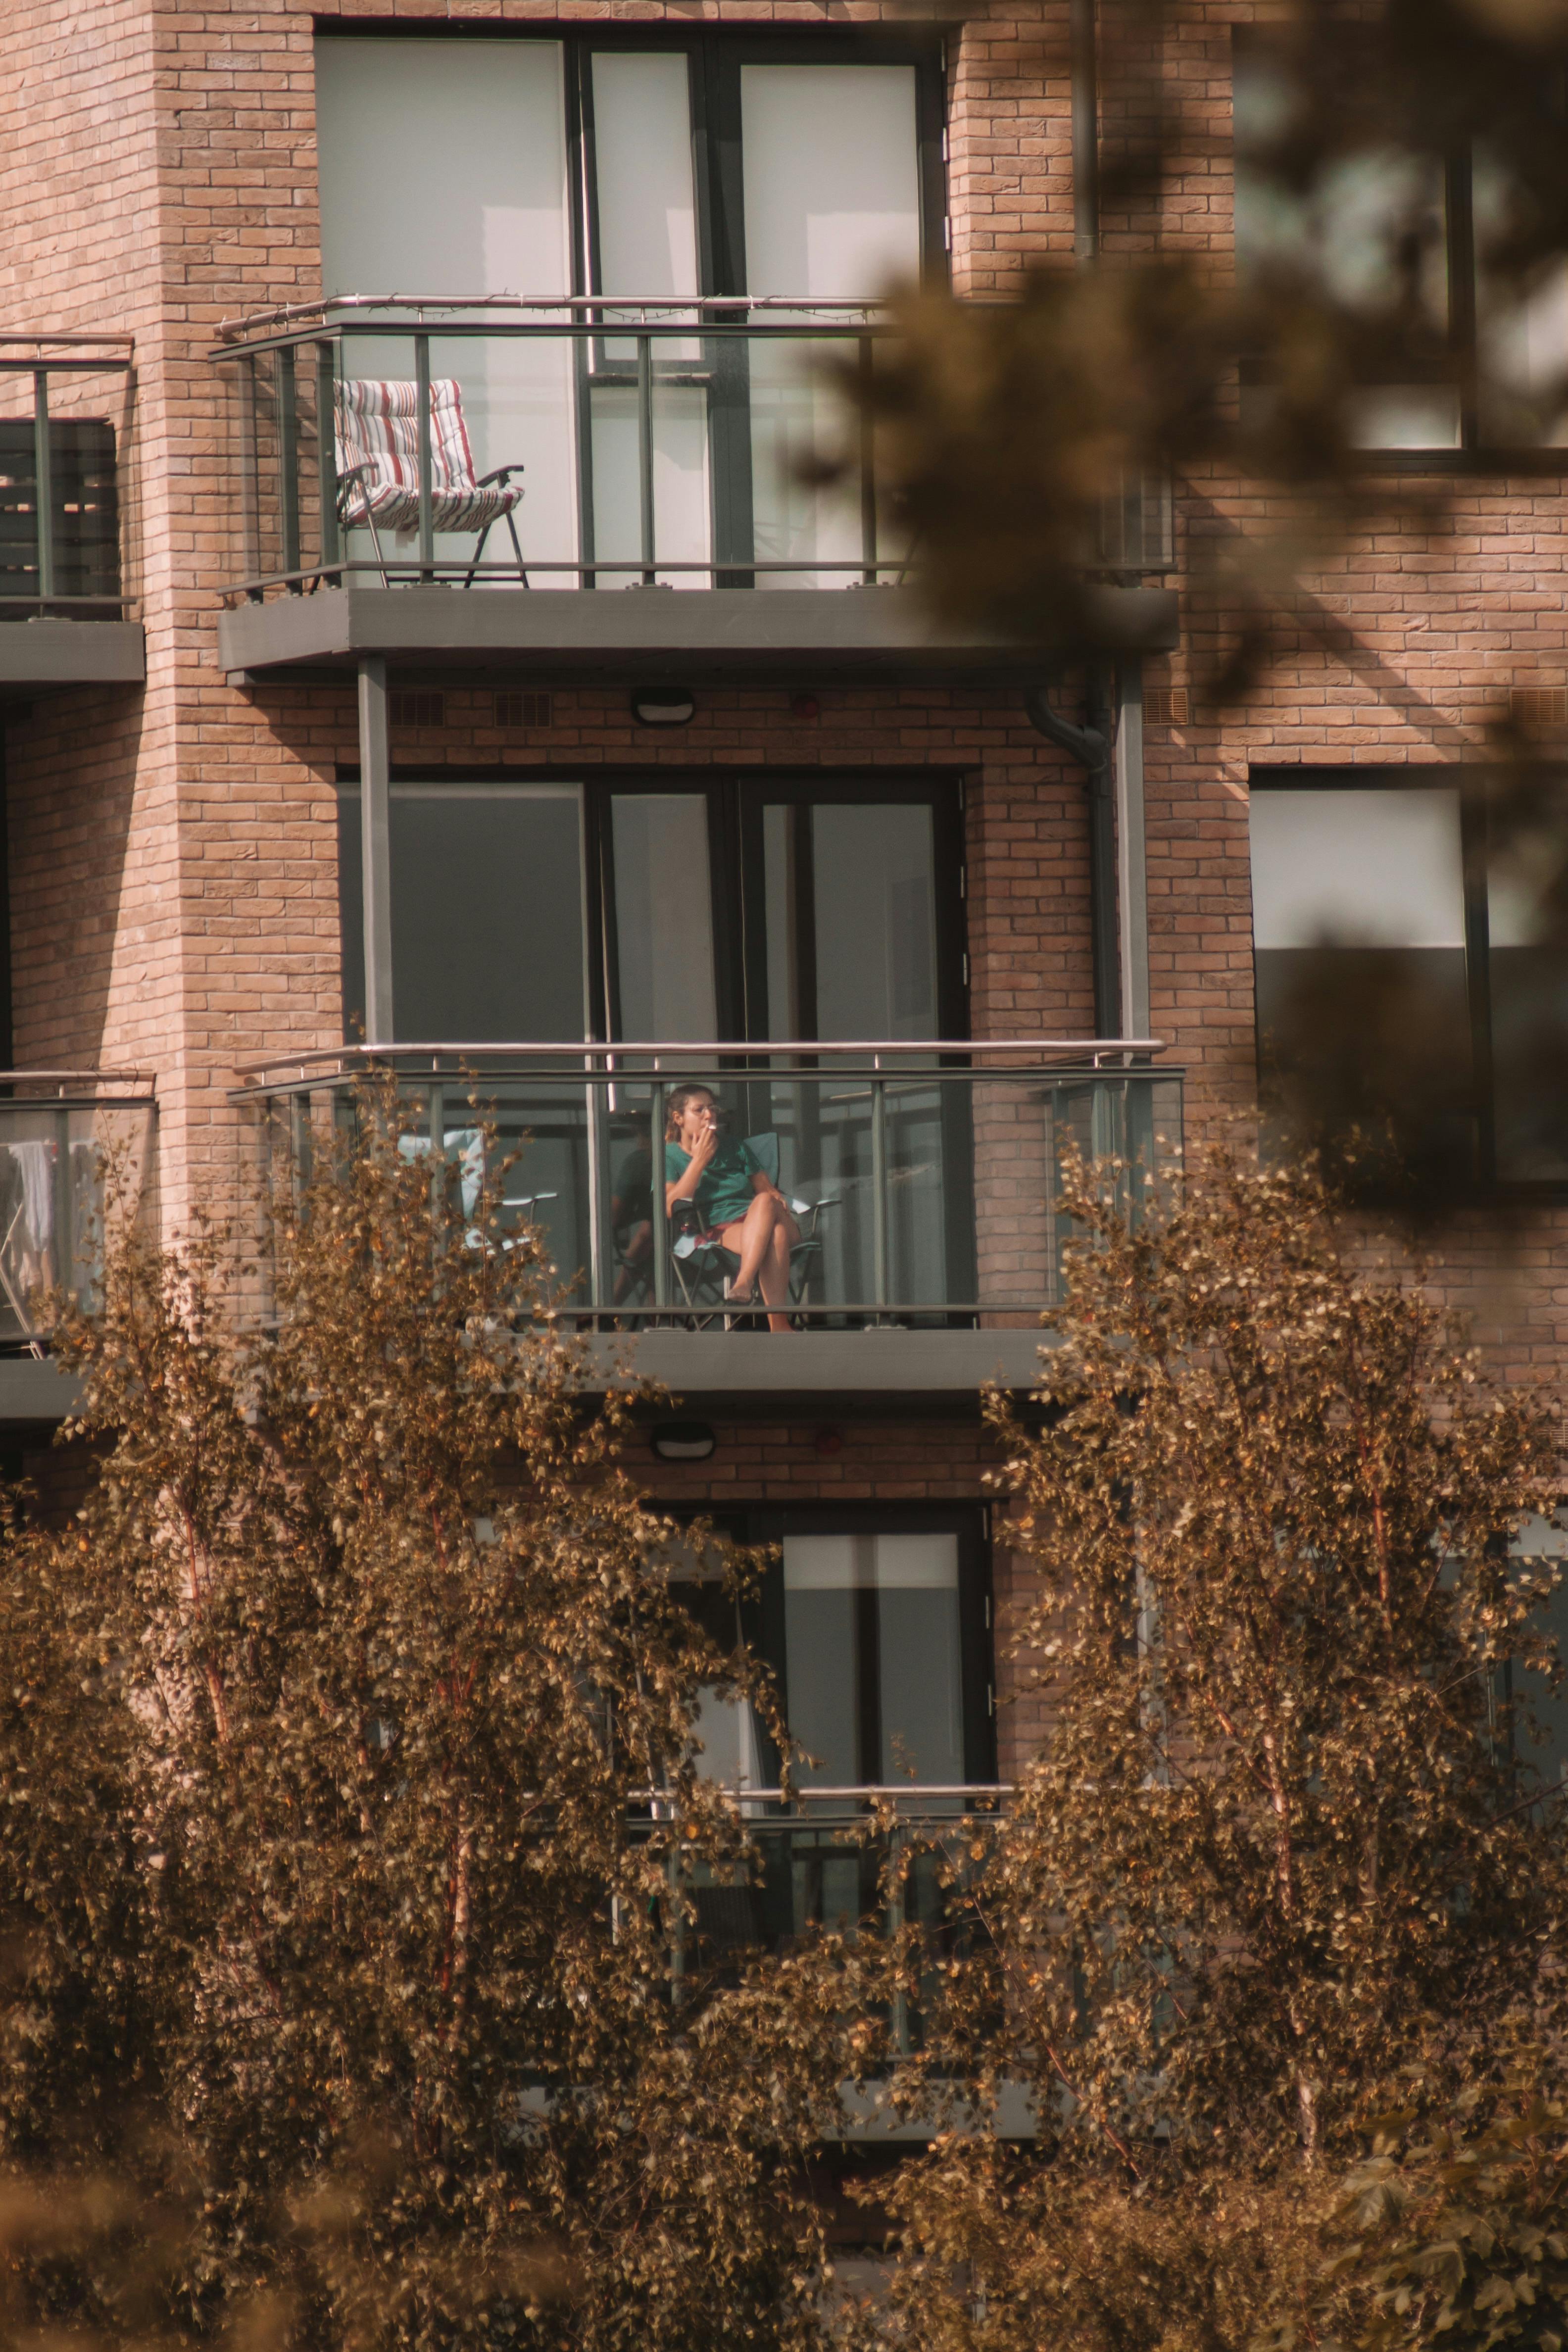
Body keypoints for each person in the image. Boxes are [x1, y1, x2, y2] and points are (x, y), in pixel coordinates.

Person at [664, 1085, 799, 1334]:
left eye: (712, 1108)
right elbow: (671, 1207)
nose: (709, 1115)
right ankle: (780, 1328)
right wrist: (700, 1161)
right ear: (678, 1119)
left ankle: (744, 1281)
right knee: (775, 1235)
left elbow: (769, 1192)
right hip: (719, 1230)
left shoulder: (735, 1146)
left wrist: (768, 1202)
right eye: (699, 1110)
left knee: (764, 1202)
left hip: (764, 1215)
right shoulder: (669, 1156)